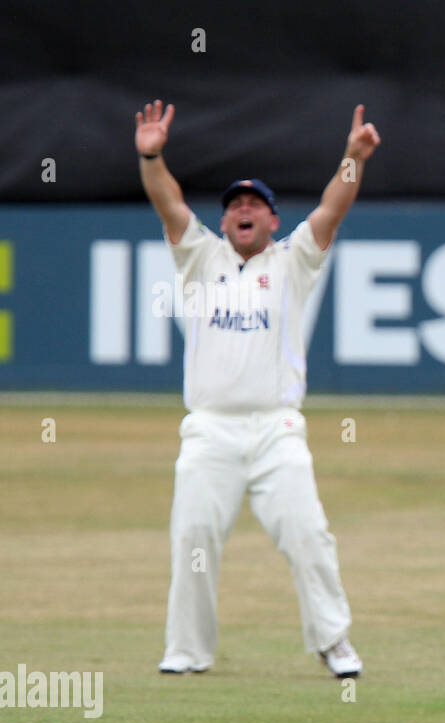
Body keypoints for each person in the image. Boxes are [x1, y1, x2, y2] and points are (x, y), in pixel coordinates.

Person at [135, 99, 380, 677]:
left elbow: (332, 208)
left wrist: (352, 158)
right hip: (209, 429)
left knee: (308, 535)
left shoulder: (292, 260)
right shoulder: (198, 257)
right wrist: (151, 154)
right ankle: (187, 651)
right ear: (223, 222)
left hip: (277, 429)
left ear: (271, 220)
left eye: (255, 205)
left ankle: (334, 642)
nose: (243, 211)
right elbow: (166, 199)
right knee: (193, 537)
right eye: (234, 206)